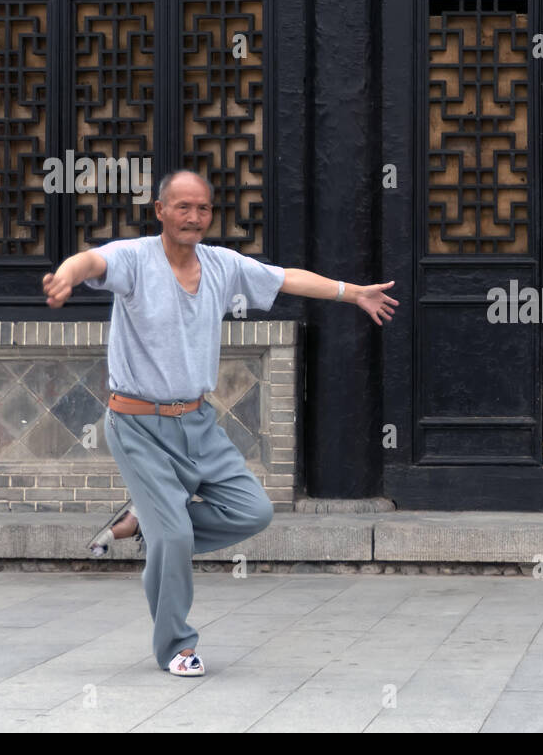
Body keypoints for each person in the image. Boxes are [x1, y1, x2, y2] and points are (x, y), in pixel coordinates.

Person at [42, 170, 397, 676]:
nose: (193, 217)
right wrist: (67, 274)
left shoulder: (221, 265)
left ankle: (151, 524)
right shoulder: (135, 259)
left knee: (253, 511)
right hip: (137, 424)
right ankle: (176, 646)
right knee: (176, 540)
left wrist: (351, 292)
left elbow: (286, 277)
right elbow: (91, 260)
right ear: (161, 210)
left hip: (198, 424)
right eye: (182, 207)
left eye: (203, 208)